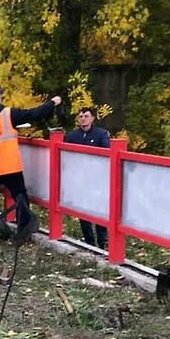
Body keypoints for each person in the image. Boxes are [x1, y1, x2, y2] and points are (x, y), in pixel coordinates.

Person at [0, 81, 61, 247]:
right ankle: (23, 230)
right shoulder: (8, 114)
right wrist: (53, 102)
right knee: (20, 196)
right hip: (9, 166)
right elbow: (34, 114)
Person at [64, 107, 111, 250]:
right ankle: (89, 242)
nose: (83, 118)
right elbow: (66, 156)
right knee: (83, 210)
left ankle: (103, 242)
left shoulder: (101, 134)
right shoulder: (72, 136)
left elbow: (107, 153)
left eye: (86, 116)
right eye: (80, 116)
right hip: (80, 179)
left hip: (97, 179)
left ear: (92, 118)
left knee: (99, 209)